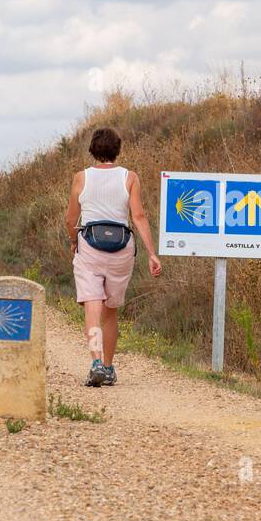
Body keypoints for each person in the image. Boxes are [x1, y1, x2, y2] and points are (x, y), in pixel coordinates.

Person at [64, 127, 161, 386]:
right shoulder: (130, 177)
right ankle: (108, 367)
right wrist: (152, 253)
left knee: (92, 307)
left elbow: (71, 219)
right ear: (117, 150)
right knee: (111, 311)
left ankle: (96, 362)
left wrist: (74, 241)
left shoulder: (81, 178)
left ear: (93, 150)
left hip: (90, 249)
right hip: (122, 250)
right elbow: (138, 217)